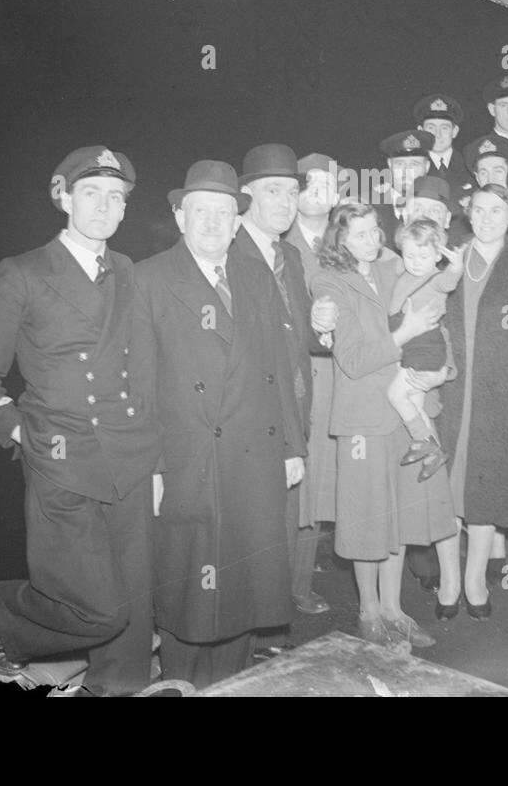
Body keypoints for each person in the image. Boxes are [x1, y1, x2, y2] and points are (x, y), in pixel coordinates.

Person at [0, 146, 160, 697]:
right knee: (99, 611)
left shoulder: (125, 269)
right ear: (63, 198)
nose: (104, 206)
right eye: (91, 193)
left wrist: (155, 457)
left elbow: (141, 368)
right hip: (63, 463)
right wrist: (21, 431)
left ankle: (115, 690)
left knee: (134, 606)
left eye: (116, 197)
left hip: (131, 457)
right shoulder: (22, 273)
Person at [131, 160, 306, 686]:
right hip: (189, 461)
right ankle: (183, 684)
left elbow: (281, 366)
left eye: (223, 213)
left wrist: (293, 446)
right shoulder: (149, 278)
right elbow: (139, 385)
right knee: (189, 586)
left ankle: (233, 685)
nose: (211, 223)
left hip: (254, 455)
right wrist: (155, 469)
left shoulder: (256, 276)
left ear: (236, 223)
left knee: (243, 581)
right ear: (181, 218)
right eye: (200, 211)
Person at [310, 201, 459, 645]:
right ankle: (369, 611)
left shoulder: (397, 264)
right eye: (359, 234)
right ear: (340, 240)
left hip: (408, 407)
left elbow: (438, 321)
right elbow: (353, 360)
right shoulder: (329, 282)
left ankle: (394, 608)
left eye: (376, 230)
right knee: (366, 518)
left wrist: (443, 368)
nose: (372, 240)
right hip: (364, 417)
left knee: (400, 516)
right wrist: (404, 334)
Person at [437, 184, 508, 618]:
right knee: (444, 491)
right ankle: (449, 580)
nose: (486, 217)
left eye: (496, 210)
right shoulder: (449, 259)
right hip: (448, 395)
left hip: (495, 399)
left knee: (484, 490)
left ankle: (474, 581)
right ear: (468, 215)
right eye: (478, 210)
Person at [232, 144, 329, 616]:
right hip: (250, 421)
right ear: (246, 194)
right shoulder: (228, 252)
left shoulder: (288, 255)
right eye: (273, 191)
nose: (286, 202)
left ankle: (270, 627)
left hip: (294, 414)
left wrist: (325, 325)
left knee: (282, 526)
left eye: (293, 192)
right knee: (249, 532)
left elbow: (304, 335)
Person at [283, 152, 341, 543]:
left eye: (326, 184)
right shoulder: (278, 243)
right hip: (298, 371)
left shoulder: (351, 241)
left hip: (343, 373)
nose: (317, 193)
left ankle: (310, 565)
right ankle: (290, 580)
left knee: (330, 474)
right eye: (308, 184)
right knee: (298, 469)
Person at [386, 219, 464, 481]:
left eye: (424, 255)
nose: (416, 261)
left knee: (396, 394)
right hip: (413, 346)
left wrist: (455, 266)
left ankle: (424, 442)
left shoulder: (435, 279)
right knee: (416, 403)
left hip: (425, 347)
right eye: (409, 255)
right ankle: (432, 454)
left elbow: (449, 282)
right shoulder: (404, 275)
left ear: (437, 255)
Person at [374, 128, 433, 244]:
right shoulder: (371, 206)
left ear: (426, 167)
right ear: (390, 164)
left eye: (414, 164)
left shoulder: (437, 208)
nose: (406, 171)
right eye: (400, 164)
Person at [412, 92, 472, 206]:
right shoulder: (411, 167)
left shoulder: (469, 163)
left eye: (444, 128)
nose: (437, 134)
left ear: (455, 131)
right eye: (431, 128)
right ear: (420, 131)